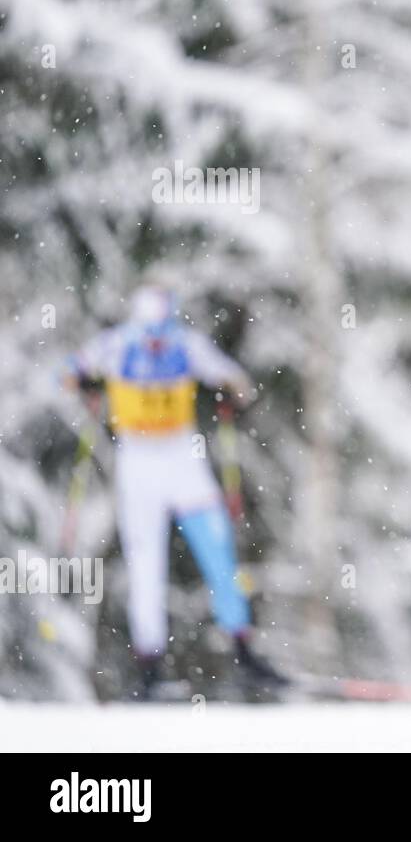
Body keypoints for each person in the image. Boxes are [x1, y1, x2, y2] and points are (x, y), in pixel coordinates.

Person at [64, 280, 286, 699]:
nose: (154, 343)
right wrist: (82, 381)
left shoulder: (186, 345)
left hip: (181, 457)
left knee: (215, 546)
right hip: (139, 462)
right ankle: (150, 663)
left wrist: (230, 391)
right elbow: (69, 371)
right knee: (146, 558)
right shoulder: (116, 345)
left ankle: (241, 646)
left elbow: (237, 382)